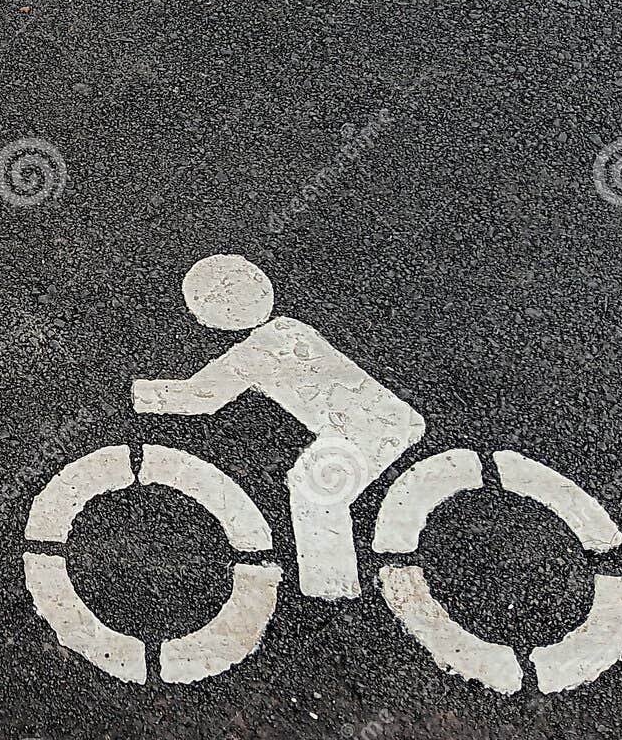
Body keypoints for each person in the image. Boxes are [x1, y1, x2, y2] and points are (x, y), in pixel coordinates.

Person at [132, 255, 425, 599]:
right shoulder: (288, 327)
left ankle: (330, 586)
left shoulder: (257, 349)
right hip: (385, 419)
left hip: (365, 432)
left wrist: (143, 395)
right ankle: (331, 581)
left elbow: (202, 397)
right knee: (316, 480)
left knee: (313, 487)